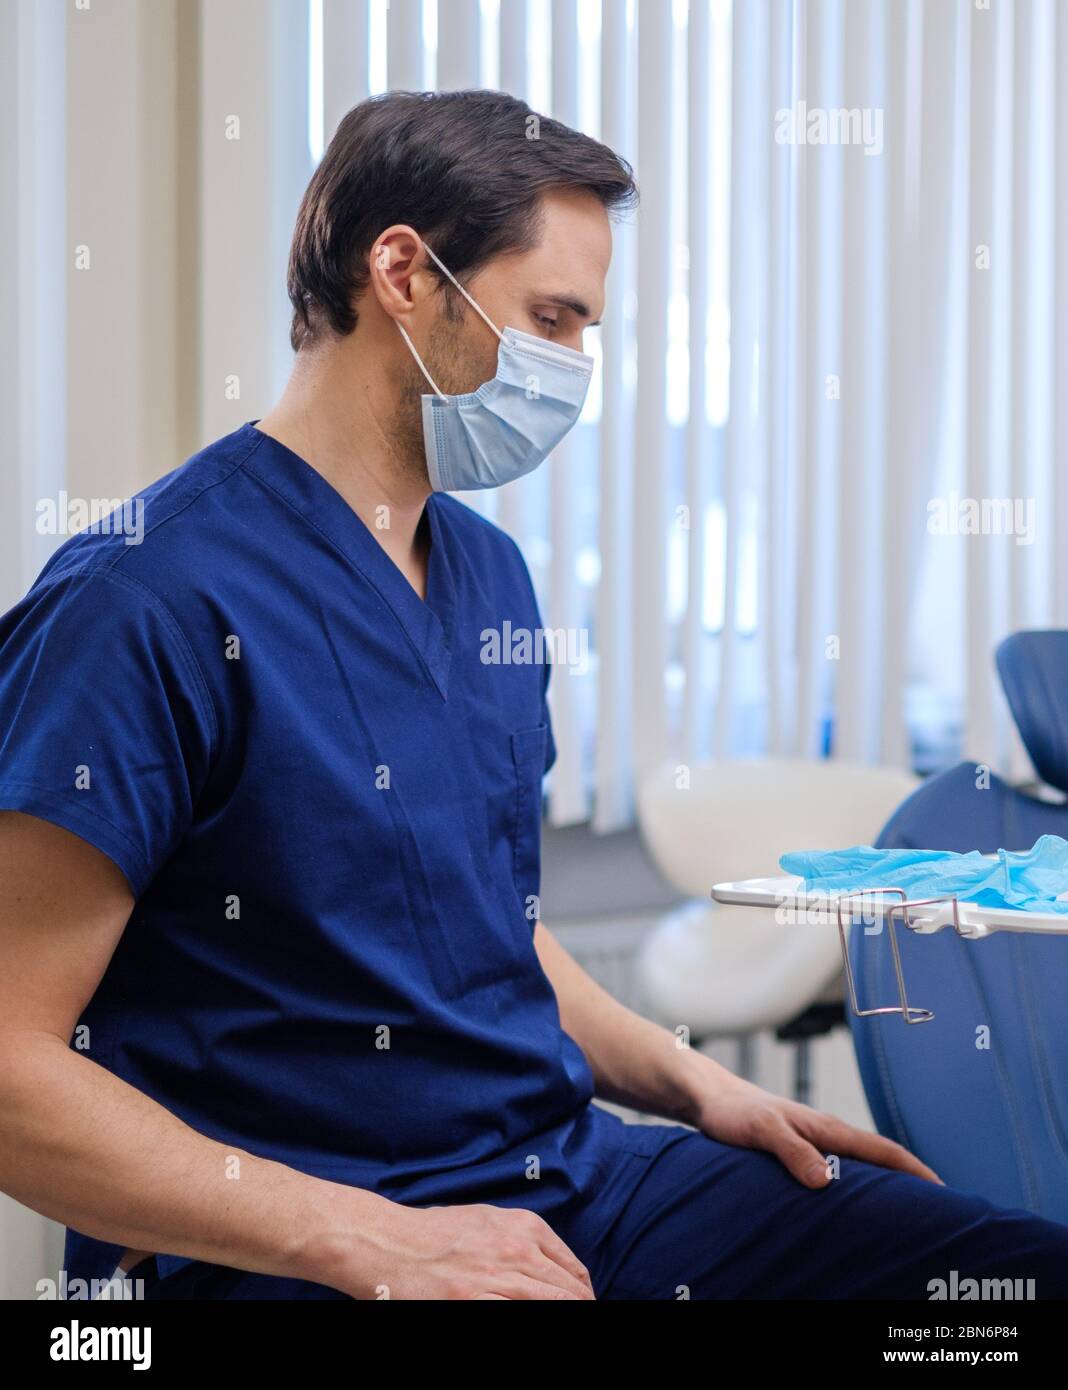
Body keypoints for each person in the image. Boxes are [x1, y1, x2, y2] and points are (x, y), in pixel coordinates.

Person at [0, 90, 1065, 1302]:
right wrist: (360, 1236)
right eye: (548, 318)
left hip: (564, 1178)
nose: (572, 368)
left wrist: (692, 1080)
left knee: (1003, 1286)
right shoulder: (145, 598)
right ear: (401, 269)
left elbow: (491, 925)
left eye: (586, 330)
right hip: (297, 1240)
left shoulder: (492, 578)